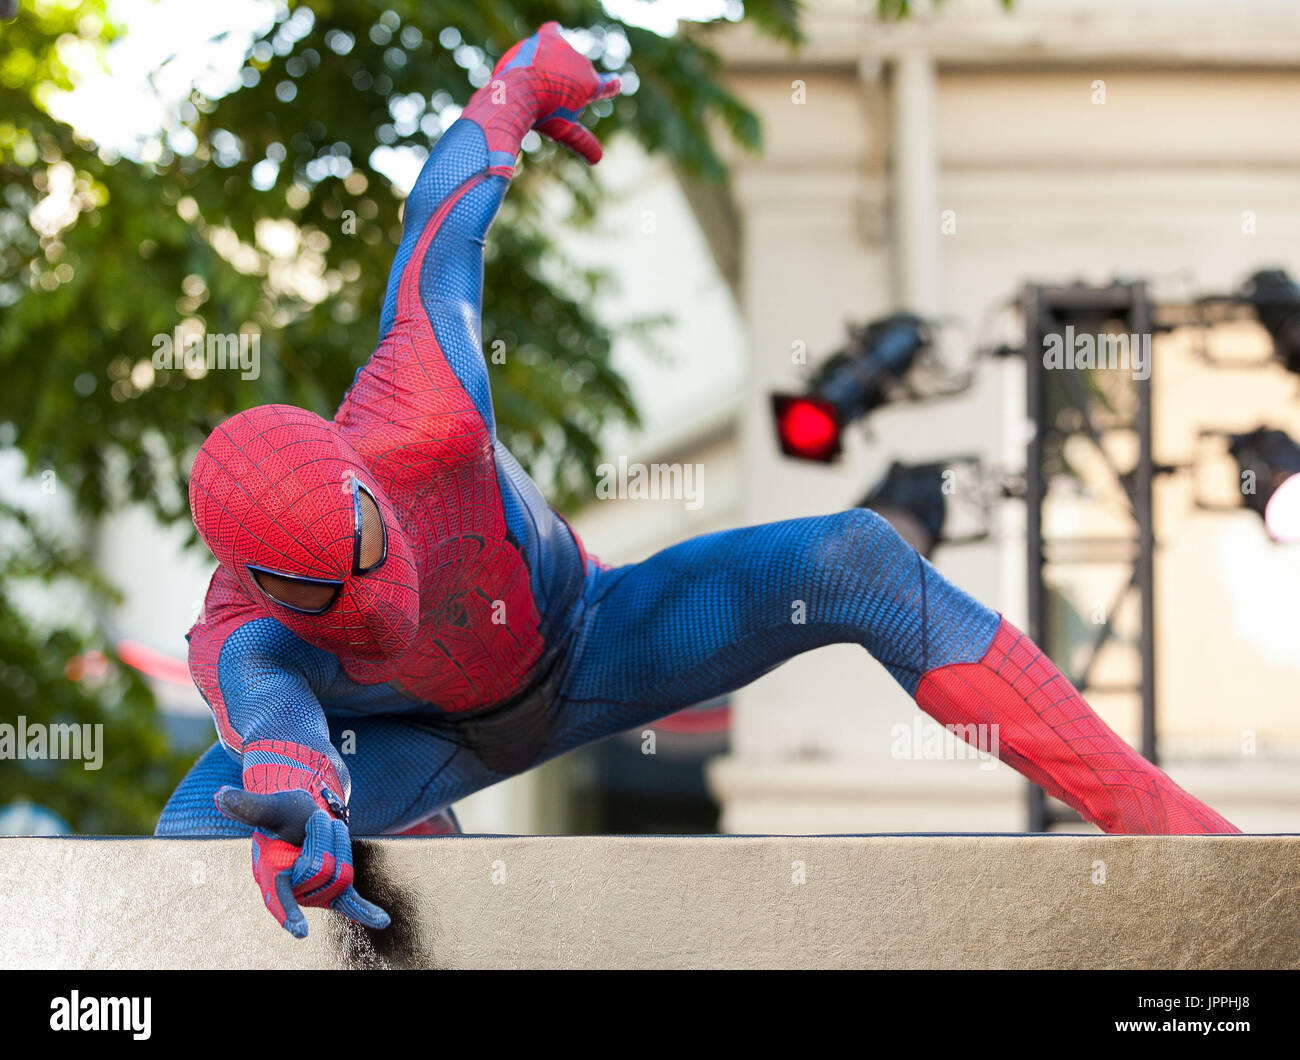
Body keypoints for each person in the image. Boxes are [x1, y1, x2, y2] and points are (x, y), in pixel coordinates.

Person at [156, 22, 1239, 939]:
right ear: (253, 579)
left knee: (854, 556)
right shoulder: (239, 632)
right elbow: (274, 723)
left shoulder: (422, 401)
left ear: (365, 482)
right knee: (191, 862)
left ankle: (1169, 822)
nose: (370, 600)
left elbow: (442, 220)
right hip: (413, 743)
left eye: (364, 548)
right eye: (319, 596)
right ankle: (408, 859)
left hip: (590, 640)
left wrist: (518, 83)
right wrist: (302, 784)